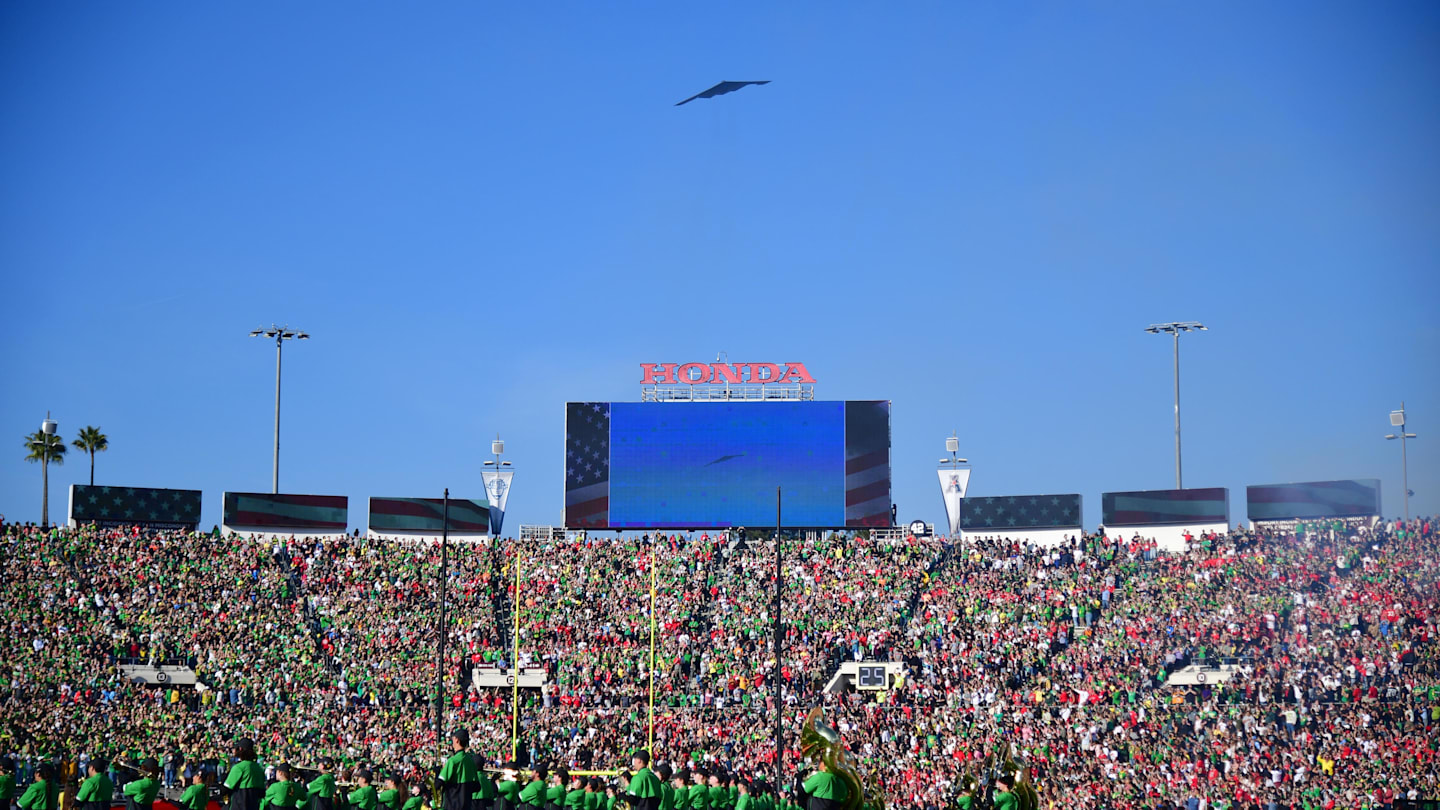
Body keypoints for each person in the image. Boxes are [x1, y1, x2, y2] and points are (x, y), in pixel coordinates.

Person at [436, 731, 478, 810]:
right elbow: (476, 787)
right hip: (466, 805)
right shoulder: (470, 760)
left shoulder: (452, 761)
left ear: (457, 740)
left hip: (452, 804)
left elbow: (438, 783)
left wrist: (437, 773)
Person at [224, 739, 267, 810]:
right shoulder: (259, 768)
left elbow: (226, 789)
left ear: (240, 749)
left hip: (239, 805)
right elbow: (262, 792)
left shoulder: (238, 767)